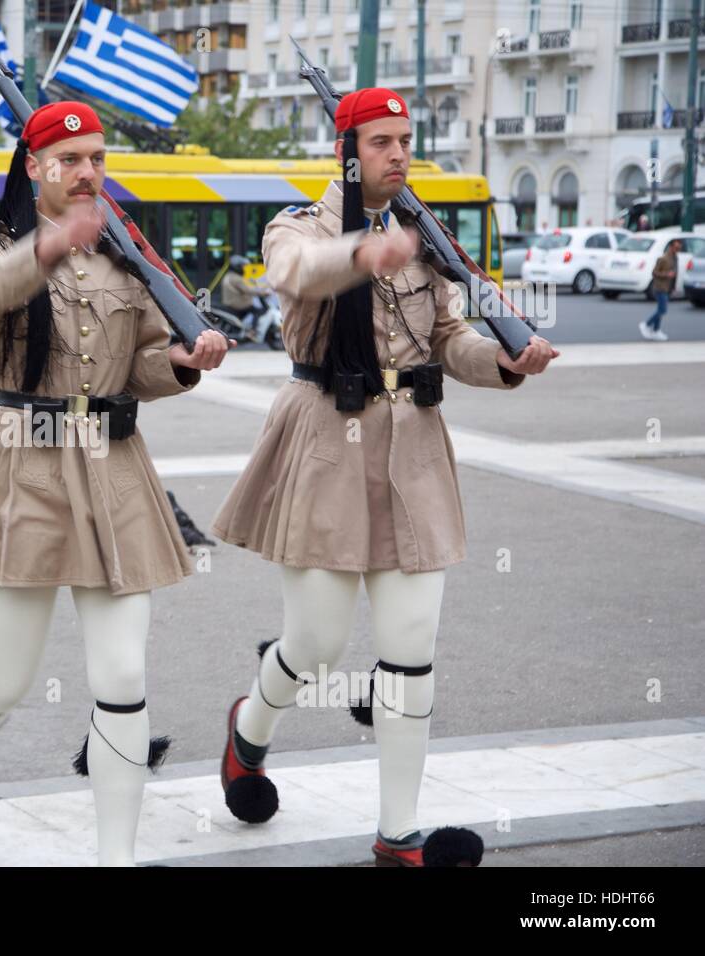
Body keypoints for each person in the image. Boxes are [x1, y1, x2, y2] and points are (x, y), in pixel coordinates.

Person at [210, 87, 558, 866]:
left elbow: (448, 339)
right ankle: (249, 729)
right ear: (347, 151)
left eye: (406, 139)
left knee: (410, 651)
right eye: (381, 142)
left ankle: (396, 833)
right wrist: (362, 253)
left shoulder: (421, 234)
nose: (399, 154)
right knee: (317, 646)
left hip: (414, 450)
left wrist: (502, 361)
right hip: (328, 440)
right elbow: (293, 275)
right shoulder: (300, 226)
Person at [0, 101, 234, 866]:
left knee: (123, 675)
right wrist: (53, 244)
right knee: (5, 681)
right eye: (70, 160)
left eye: (97, 158)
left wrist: (184, 364)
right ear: (34, 167)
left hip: (115, 468)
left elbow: (146, 364)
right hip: (27, 462)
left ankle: (116, 855)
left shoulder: (128, 255)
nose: (88, 172)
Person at [641, 238, 680, 342]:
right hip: (660, 287)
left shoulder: (675, 258)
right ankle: (646, 324)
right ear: (671, 247)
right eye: (676, 247)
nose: (678, 249)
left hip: (668, 288)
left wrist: (674, 286)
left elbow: (675, 274)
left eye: (679, 248)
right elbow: (654, 273)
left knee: (660, 310)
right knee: (662, 310)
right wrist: (667, 274)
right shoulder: (663, 258)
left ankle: (656, 331)